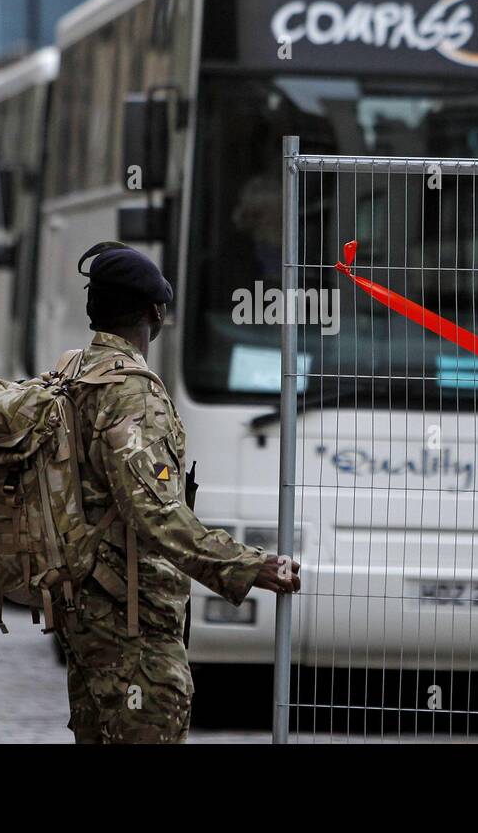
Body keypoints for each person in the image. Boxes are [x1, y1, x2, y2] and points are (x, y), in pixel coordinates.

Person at [59, 241, 300, 743]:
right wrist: (247, 565)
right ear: (155, 312)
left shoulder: (75, 373)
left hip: (89, 615)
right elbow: (155, 514)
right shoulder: (131, 393)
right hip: (133, 627)